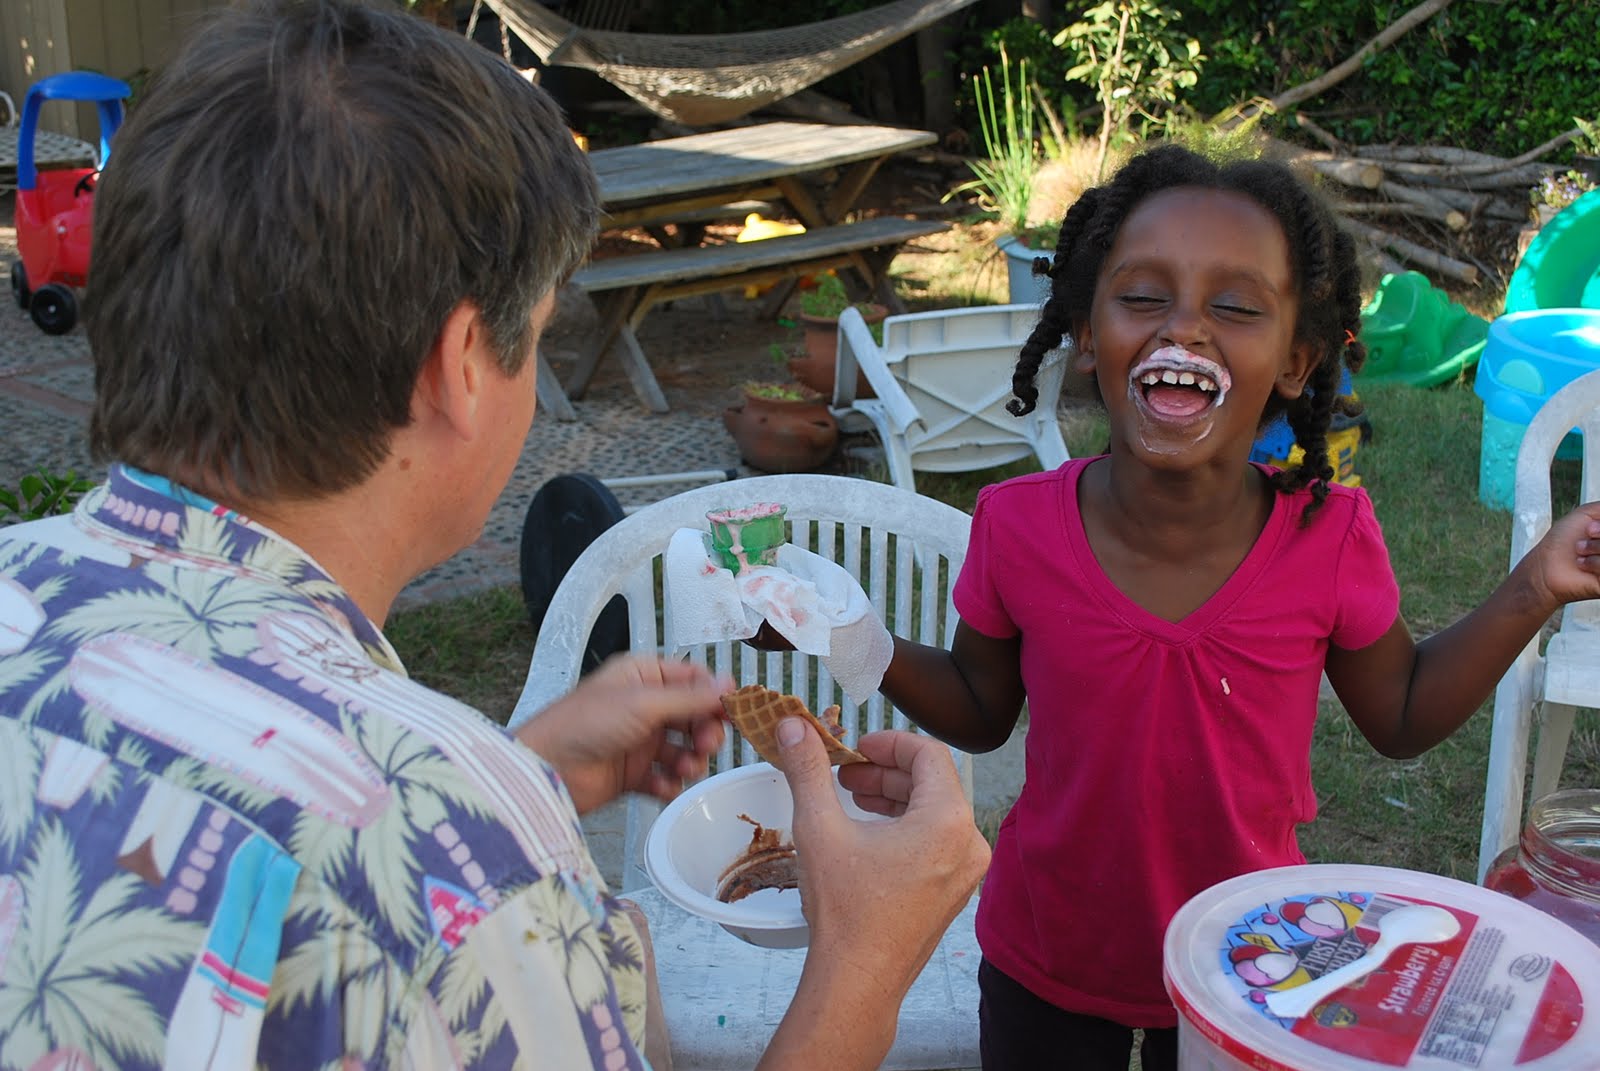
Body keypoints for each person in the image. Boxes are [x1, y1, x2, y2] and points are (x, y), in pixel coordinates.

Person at [0, 2, 989, 1069]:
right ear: (461, 364)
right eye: (542, 331)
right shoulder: (460, 851)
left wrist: (518, 779)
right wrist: (867, 964)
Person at [877, 144, 1600, 1070]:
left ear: (1297, 360)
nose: (1186, 329)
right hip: (1045, 963)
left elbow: (1404, 714)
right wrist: (855, 640)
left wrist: (1536, 583)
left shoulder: (1325, 534)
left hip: (1254, 971)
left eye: (1235, 306)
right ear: (1088, 333)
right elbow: (981, 710)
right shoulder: (1016, 524)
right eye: (1143, 296)